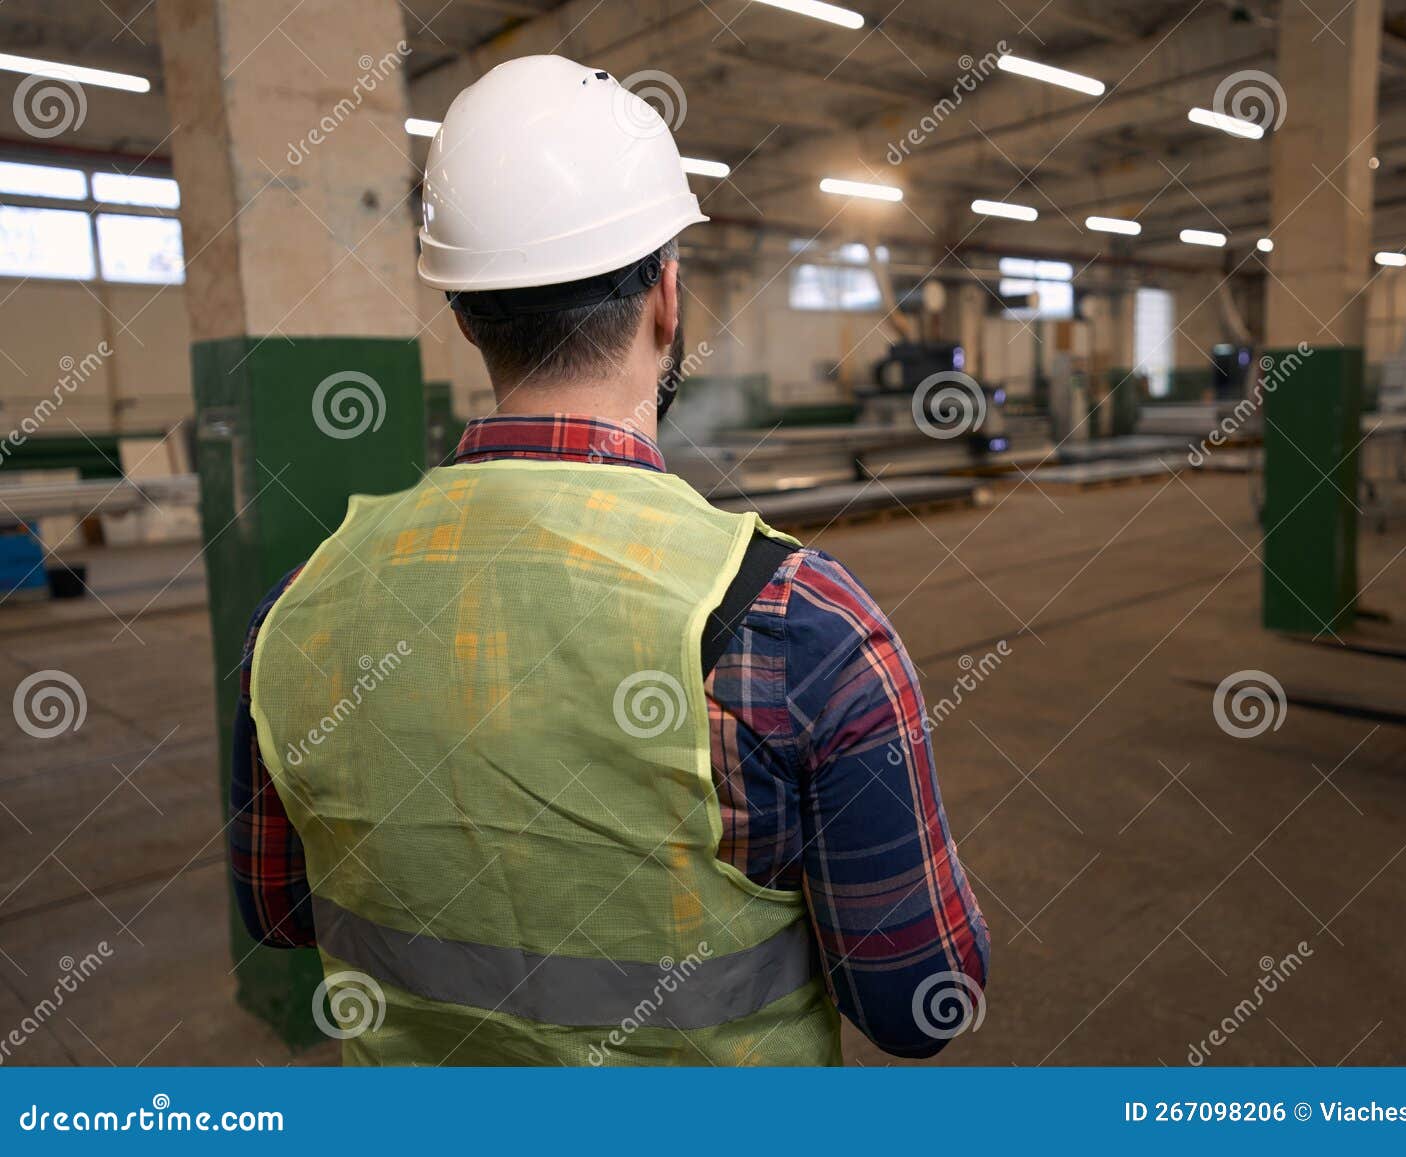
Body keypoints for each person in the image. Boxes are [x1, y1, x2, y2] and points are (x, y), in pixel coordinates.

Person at [230, 54, 987, 1066]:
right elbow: (915, 1001)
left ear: (461, 313)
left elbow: (278, 913)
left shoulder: (299, 609)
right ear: (668, 299)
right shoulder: (802, 625)